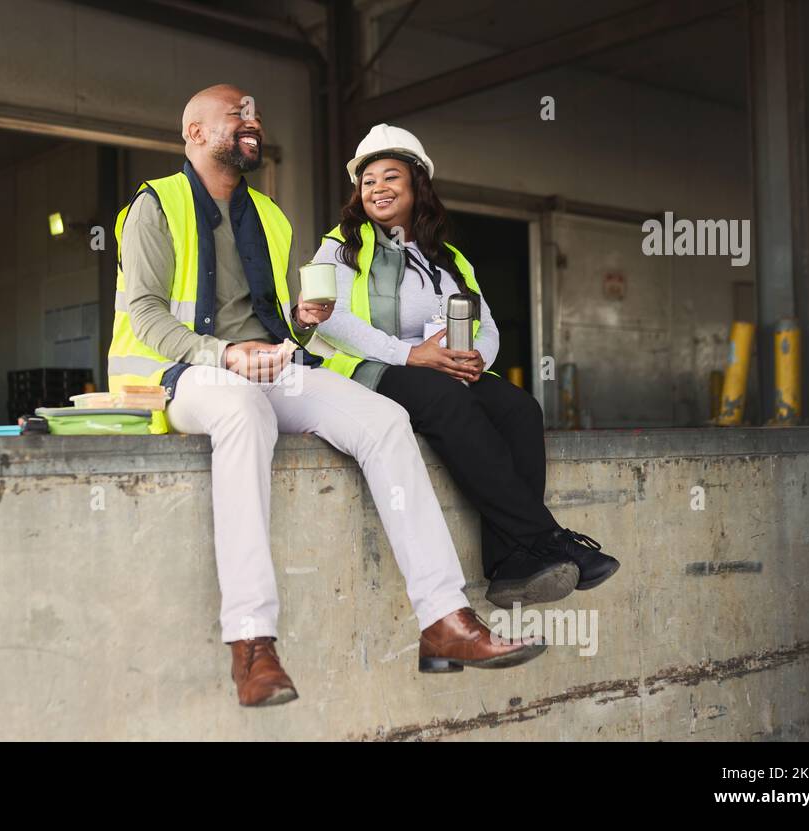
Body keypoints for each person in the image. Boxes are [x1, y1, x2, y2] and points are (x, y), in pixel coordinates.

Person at [109, 86, 545, 708]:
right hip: (182, 373)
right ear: (197, 133)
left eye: (256, 113)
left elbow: (271, 323)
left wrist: (303, 322)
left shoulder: (271, 216)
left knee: (385, 417)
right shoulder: (155, 205)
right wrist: (224, 355)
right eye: (239, 115)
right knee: (244, 414)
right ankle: (252, 643)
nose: (253, 122)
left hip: (268, 363)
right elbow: (147, 313)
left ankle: (444, 618)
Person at [311, 124, 621, 607]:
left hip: (439, 372)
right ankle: (546, 538)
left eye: (390, 177)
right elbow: (329, 321)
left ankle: (510, 565)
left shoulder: (448, 258)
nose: (378, 189)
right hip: (370, 371)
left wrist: (476, 360)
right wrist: (411, 354)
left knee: (519, 409)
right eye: (368, 181)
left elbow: (486, 325)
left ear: (417, 185)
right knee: (446, 398)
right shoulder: (342, 246)